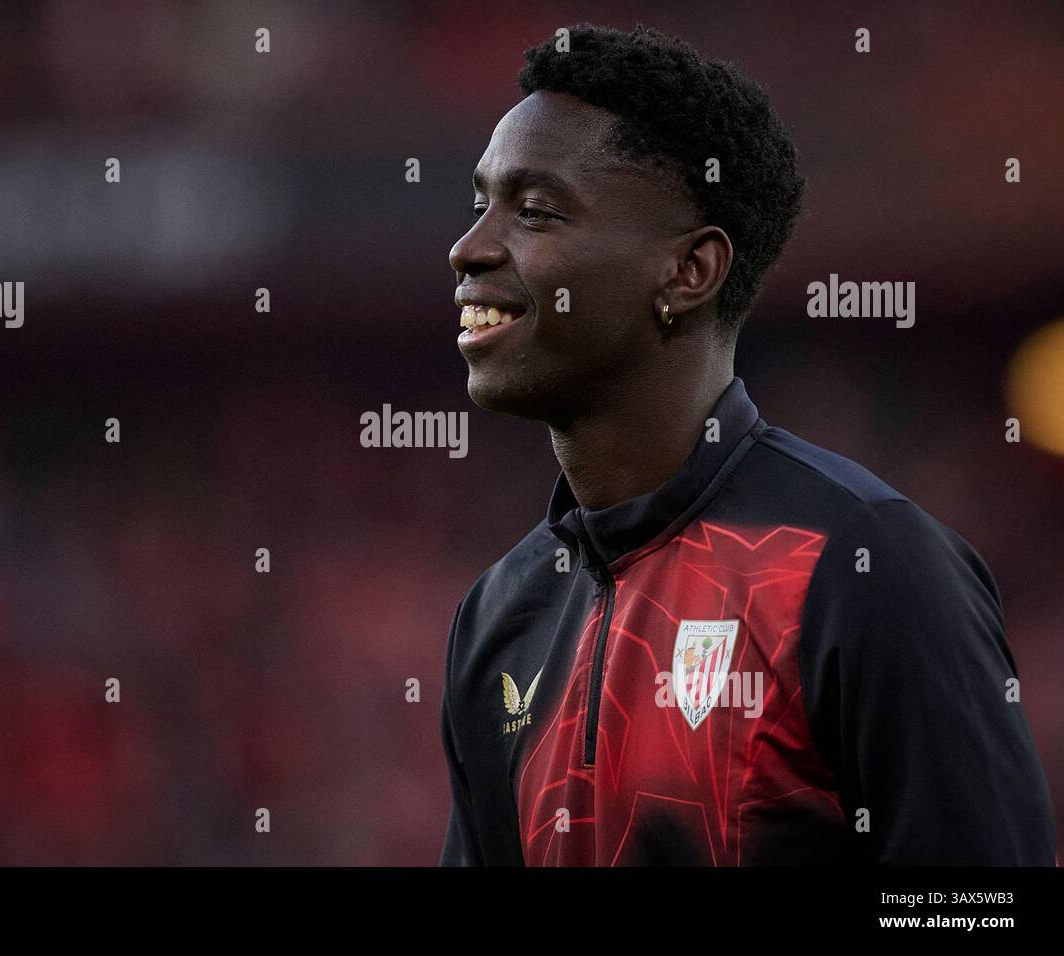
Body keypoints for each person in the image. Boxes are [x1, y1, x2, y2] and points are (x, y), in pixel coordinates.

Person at [440, 22, 1056, 865]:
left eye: (535, 211)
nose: (469, 247)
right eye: (482, 206)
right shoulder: (498, 615)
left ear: (688, 273)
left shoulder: (863, 561)